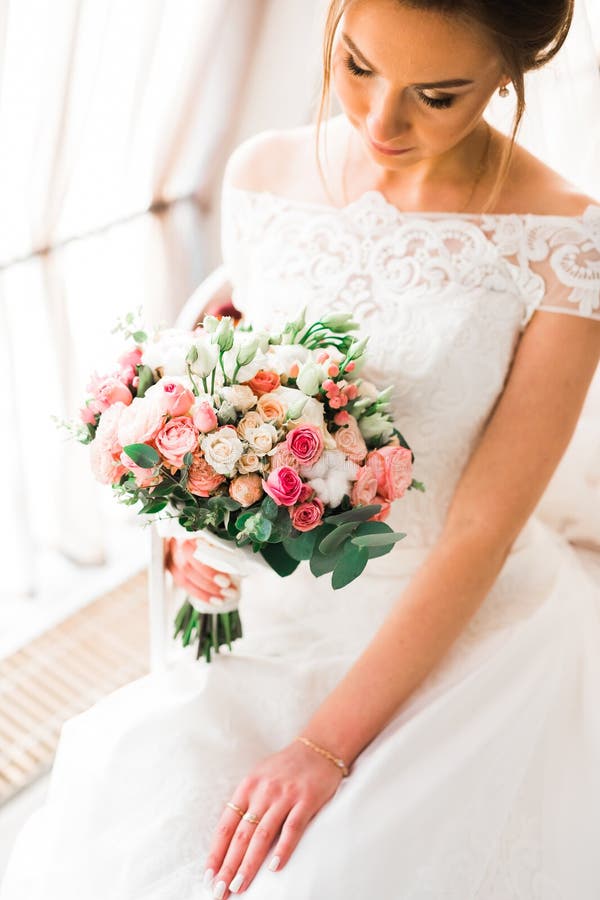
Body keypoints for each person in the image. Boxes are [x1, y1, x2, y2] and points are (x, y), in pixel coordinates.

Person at [2, 1, 600, 898]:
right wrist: (190, 517)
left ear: (513, 75)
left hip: (458, 608)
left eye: (437, 95)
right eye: (357, 65)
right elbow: (244, 383)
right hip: (269, 610)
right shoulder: (265, 171)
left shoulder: (566, 242)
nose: (379, 121)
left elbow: (480, 524)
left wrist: (324, 748)